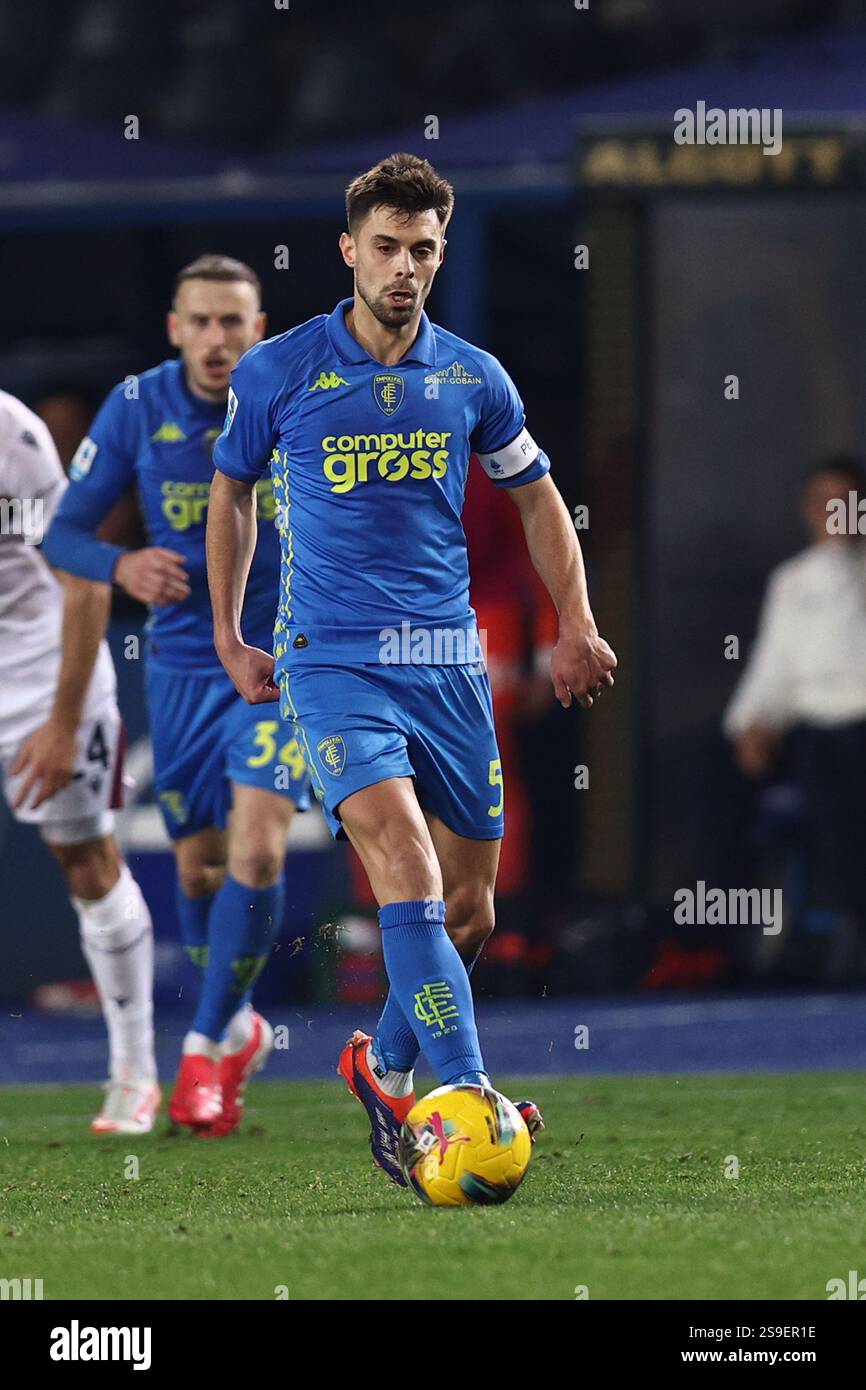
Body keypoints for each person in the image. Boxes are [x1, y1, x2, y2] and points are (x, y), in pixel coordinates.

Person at [207, 154, 616, 1184]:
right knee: (407, 869)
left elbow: (535, 498)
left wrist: (576, 620)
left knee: (470, 910)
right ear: (349, 249)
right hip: (328, 662)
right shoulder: (280, 370)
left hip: (446, 665)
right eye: (384, 246)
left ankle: (384, 1064)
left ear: (437, 255)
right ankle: (465, 1091)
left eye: (421, 249)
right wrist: (229, 633)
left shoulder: (472, 377)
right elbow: (231, 495)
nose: (403, 265)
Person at [43, 256, 310, 1137]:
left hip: (278, 664)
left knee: (261, 848)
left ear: (258, 329)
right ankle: (235, 1030)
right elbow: (61, 535)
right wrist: (122, 564)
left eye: (233, 322)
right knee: (199, 866)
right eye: (200, 321)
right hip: (183, 669)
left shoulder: (296, 393)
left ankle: (197, 1049)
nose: (217, 339)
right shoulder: (137, 405)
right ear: (175, 330)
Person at [0, 388, 159, 1134]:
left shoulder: (15, 437)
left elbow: (84, 572)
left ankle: (135, 1073)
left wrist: (63, 723)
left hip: (37, 672)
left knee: (87, 863)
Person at [724, 456, 866, 972]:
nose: (835, 514)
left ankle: (849, 928)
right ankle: (761, 946)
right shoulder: (792, 582)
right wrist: (751, 723)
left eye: (845, 502)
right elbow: (773, 665)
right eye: (824, 503)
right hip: (812, 735)